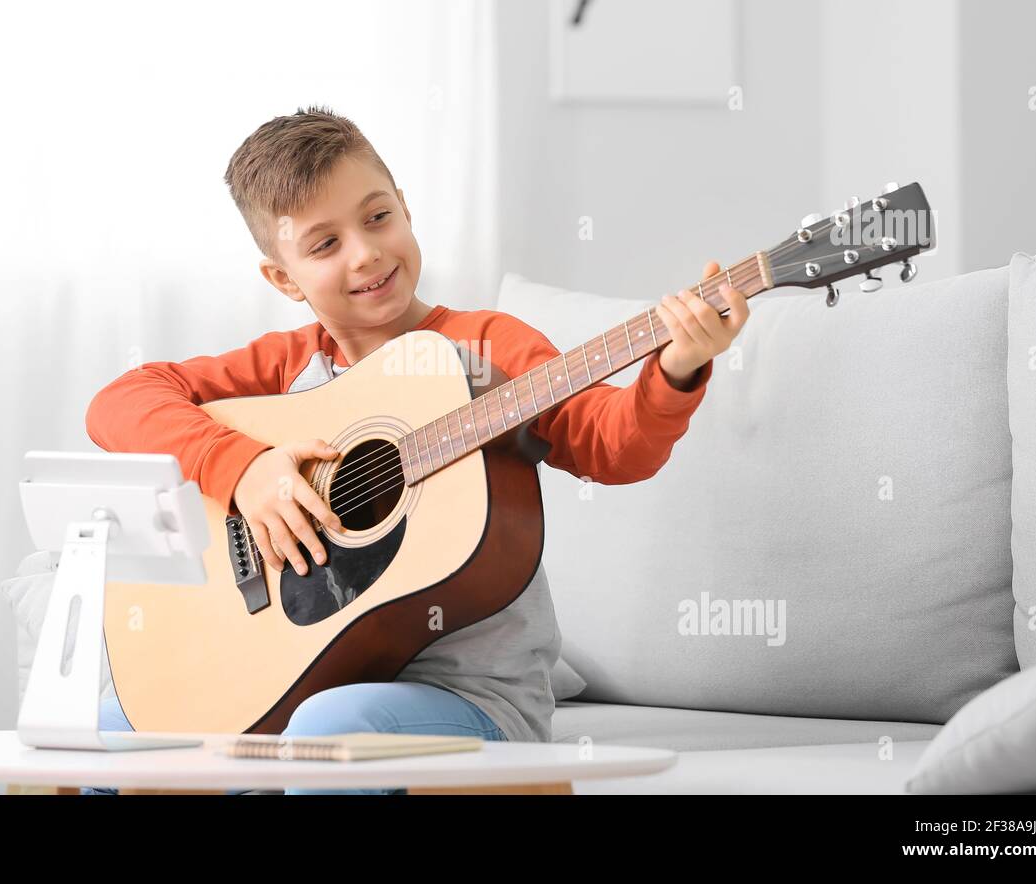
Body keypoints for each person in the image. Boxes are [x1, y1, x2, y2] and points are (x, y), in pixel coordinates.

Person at [80, 106, 750, 795]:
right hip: (300, 677)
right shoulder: (285, 369)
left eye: (377, 218)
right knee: (108, 727)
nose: (366, 253)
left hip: (473, 701)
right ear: (283, 279)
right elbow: (118, 403)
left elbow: (614, 447)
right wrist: (244, 469)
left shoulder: (488, 349)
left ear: (404, 207)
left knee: (327, 730)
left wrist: (674, 370)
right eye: (324, 244)